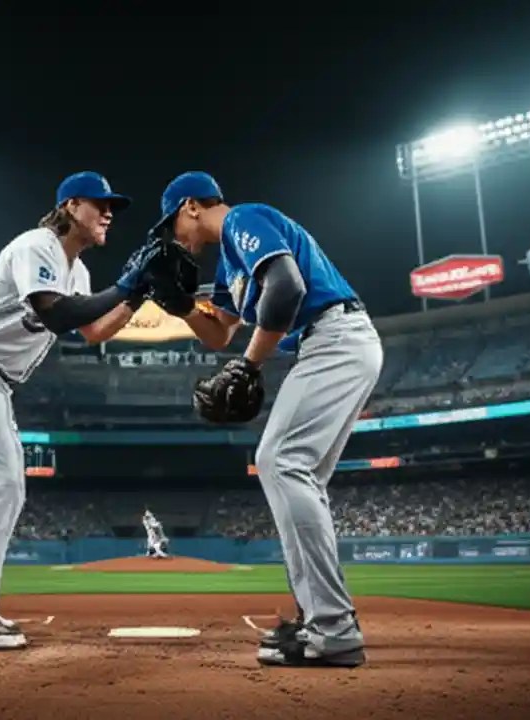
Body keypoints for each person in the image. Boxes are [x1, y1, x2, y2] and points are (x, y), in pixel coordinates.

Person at [147, 171, 383, 668]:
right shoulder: (234, 261)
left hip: (334, 338)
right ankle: (324, 620)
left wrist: (249, 367)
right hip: (333, 344)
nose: (174, 238)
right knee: (299, 475)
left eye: (172, 225)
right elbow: (219, 334)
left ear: (191, 206)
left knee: (279, 460)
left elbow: (286, 289)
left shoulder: (244, 220)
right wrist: (179, 304)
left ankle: (333, 628)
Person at [0, 171, 159, 650]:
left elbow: (94, 331)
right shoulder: (38, 244)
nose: (109, 212)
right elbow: (57, 314)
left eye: (112, 205)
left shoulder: (78, 271)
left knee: (7, 489)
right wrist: (128, 283)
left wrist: (137, 293)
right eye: (100, 203)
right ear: (72, 206)